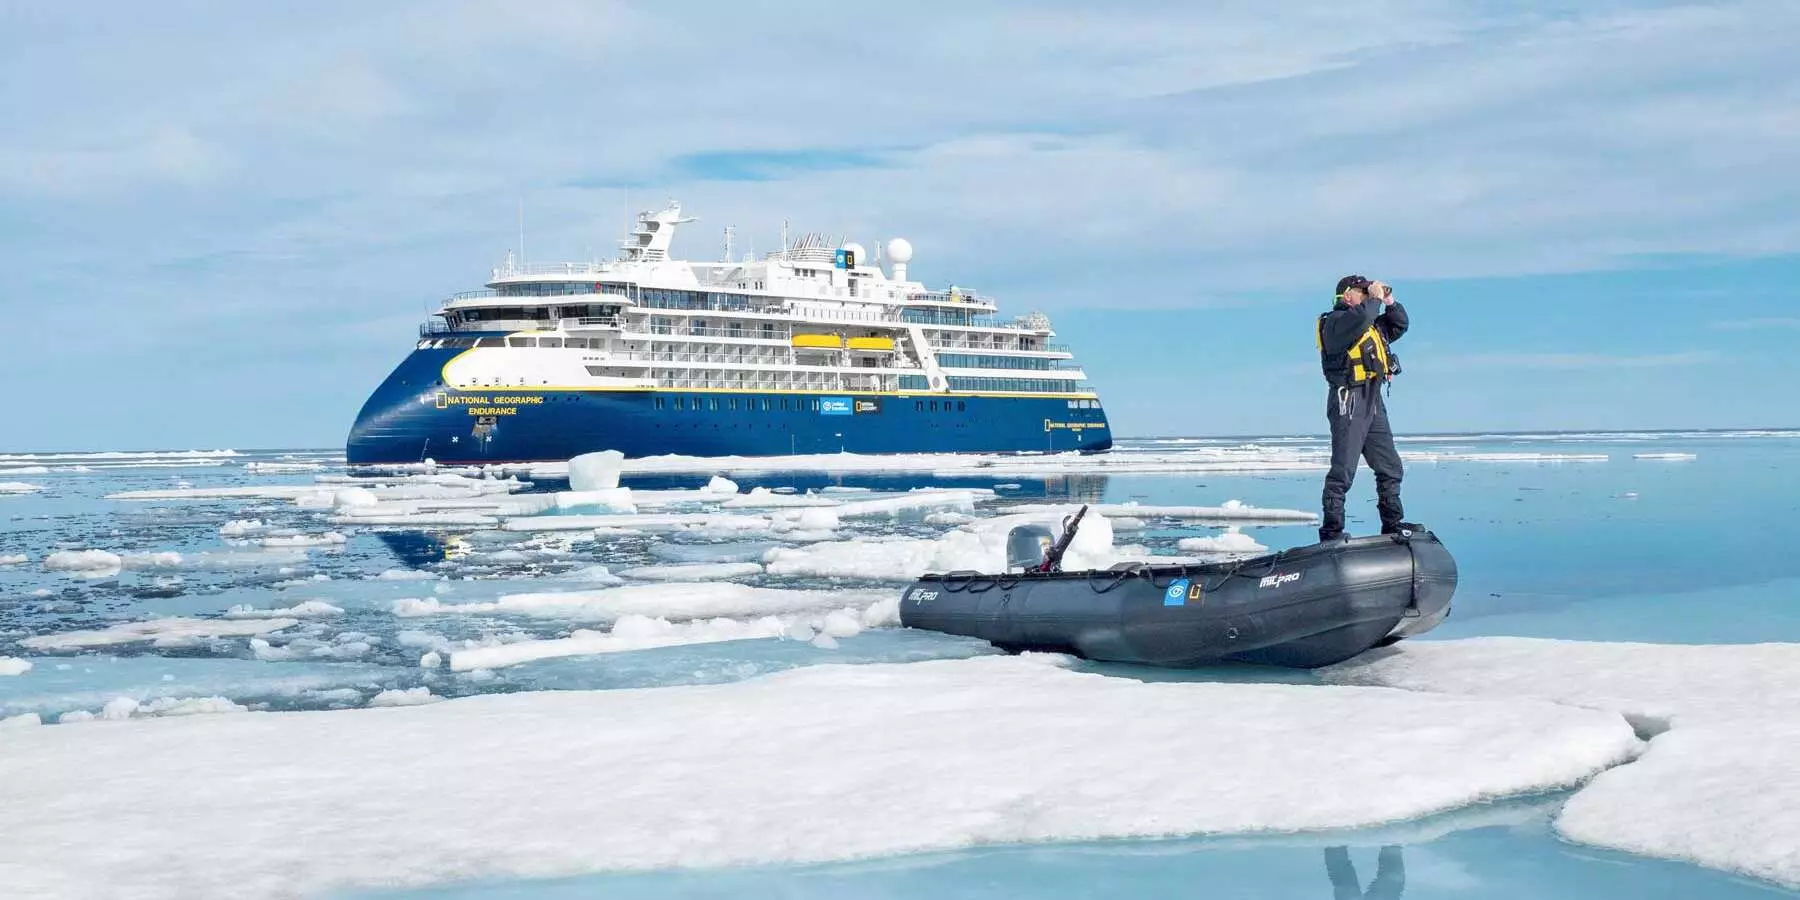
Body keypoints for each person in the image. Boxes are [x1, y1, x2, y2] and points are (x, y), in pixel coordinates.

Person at [1316, 274, 1419, 542]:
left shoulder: (1371, 324)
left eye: (1367, 292)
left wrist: (1389, 301)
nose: (1366, 295)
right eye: (1361, 292)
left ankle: (1393, 524)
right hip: (1347, 400)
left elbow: (1400, 324)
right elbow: (1360, 319)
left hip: (1372, 401)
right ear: (1346, 295)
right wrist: (1373, 300)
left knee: (1390, 467)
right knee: (1343, 470)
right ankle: (1332, 531)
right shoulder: (1336, 323)